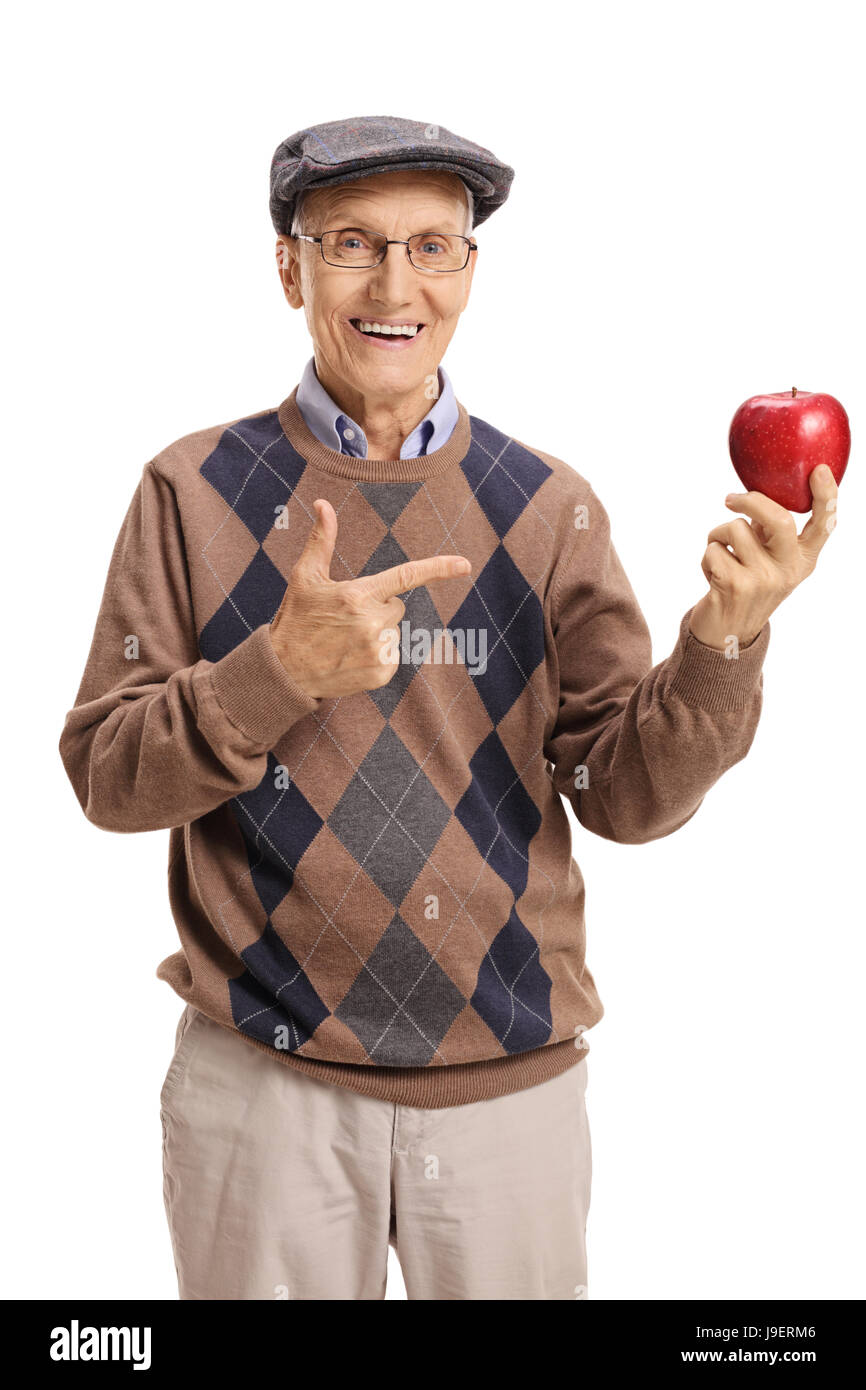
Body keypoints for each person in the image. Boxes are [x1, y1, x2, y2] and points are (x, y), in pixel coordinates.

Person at [58, 115, 838, 1301]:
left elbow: (624, 796)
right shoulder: (191, 489)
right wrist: (278, 668)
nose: (393, 285)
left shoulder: (546, 505)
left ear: (470, 271)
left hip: (506, 1085)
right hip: (260, 1080)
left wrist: (724, 636)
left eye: (433, 247)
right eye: (352, 244)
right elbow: (110, 775)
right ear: (289, 267)